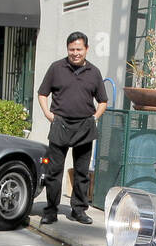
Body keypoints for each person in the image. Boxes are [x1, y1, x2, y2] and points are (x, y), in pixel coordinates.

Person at [36, 31, 108, 225]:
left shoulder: (94, 72)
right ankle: (50, 210)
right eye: (72, 49)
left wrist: (94, 117)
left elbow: (103, 100)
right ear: (67, 49)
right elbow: (42, 93)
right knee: (54, 171)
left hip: (85, 125)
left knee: (82, 172)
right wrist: (48, 114)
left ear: (86, 49)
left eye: (79, 49)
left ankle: (79, 210)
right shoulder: (56, 68)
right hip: (60, 124)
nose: (75, 53)